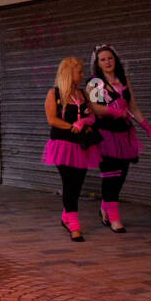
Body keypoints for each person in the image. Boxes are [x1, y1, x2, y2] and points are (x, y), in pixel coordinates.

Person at [86, 44, 151, 233]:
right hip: (105, 134)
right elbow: (94, 107)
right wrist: (114, 111)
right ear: (98, 64)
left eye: (110, 58)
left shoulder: (123, 79)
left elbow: (133, 106)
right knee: (111, 174)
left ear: (115, 60)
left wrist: (147, 128)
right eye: (103, 59)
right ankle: (115, 218)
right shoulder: (95, 82)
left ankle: (105, 207)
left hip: (124, 134)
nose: (107, 62)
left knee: (122, 174)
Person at [42, 56, 101, 242]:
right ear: (69, 73)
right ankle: (74, 226)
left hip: (82, 146)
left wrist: (84, 122)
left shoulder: (84, 94)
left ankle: (66, 217)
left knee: (77, 184)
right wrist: (72, 126)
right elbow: (52, 119)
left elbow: (93, 117)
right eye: (79, 72)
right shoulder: (54, 94)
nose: (83, 75)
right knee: (69, 184)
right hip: (62, 145)